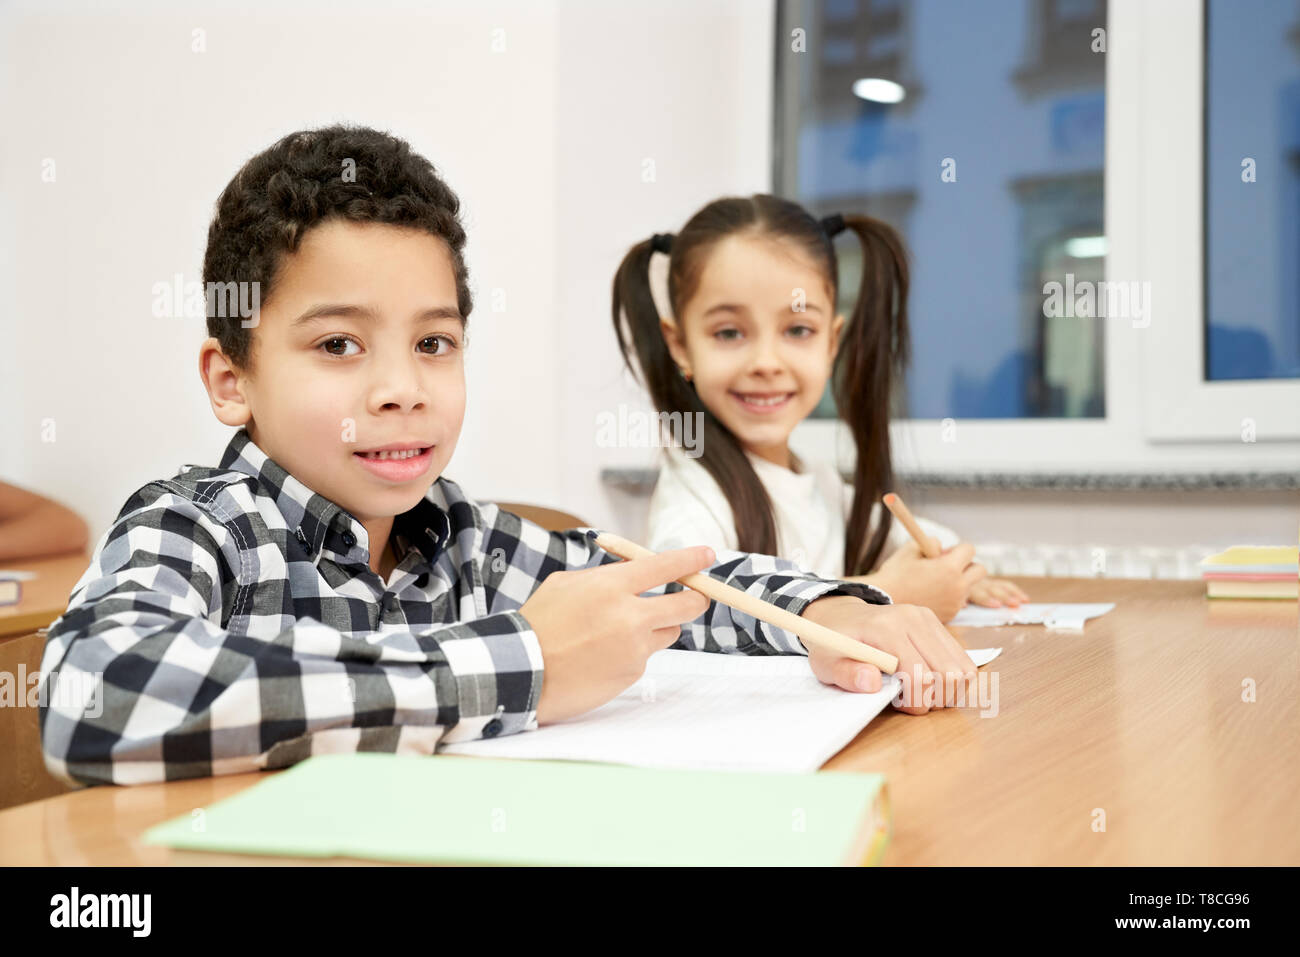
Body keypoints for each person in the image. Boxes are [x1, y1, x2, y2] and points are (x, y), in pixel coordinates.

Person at [39, 128, 975, 788]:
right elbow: (96, 690)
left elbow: (672, 586)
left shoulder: (465, 539)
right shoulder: (200, 524)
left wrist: (826, 605)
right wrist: (523, 660)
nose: (402, 388)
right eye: (337, 346)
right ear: (230, 379)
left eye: (434, 344)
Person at [612, 195, 1030, 623]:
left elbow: (928, 541)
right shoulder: (694, 497)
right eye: (729, 332)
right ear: (680, 345)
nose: (766, 363)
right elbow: (690, 615)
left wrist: (958, 574)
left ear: (831, 343)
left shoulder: (819, 483)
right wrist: (886, 593)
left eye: (797, 329)